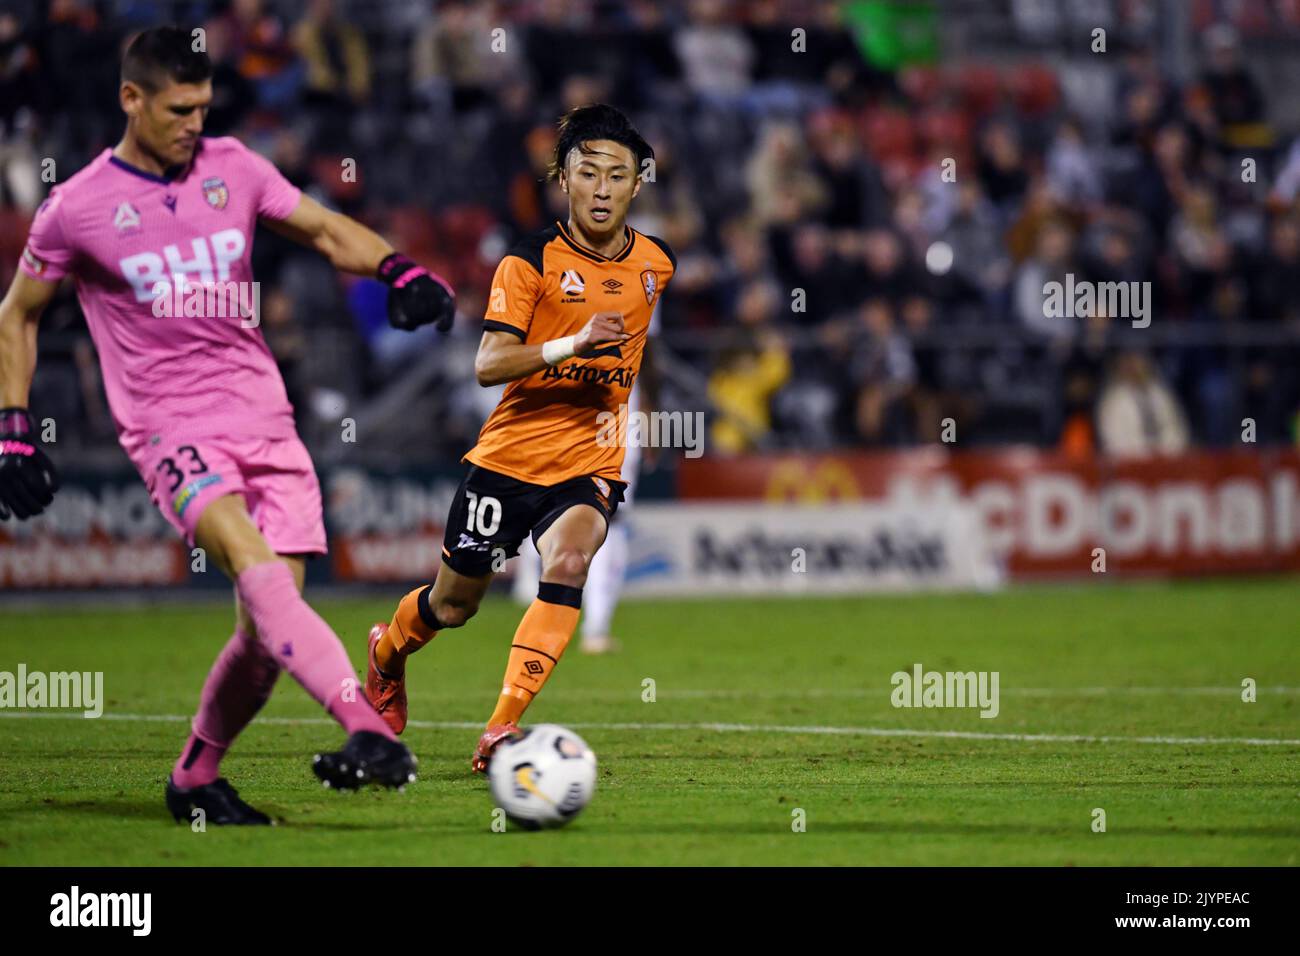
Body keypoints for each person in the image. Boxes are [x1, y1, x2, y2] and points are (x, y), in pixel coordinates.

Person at [0, 26, 455, 824]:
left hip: (264, 415)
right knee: (254, 567)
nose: (193, 124)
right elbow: (19, 316)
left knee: (265, 626)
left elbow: (319, 228)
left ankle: (193, 780)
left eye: (204, 107)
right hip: (168, 426)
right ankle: (364, 728)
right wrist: (11, 427)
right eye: (178, 109)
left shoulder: (233, 166)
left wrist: (397, 268)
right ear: (130, 99)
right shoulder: (75, 209)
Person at [363, 103, 675, 772]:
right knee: (452, 606)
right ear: (563, 180)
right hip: (508, 460)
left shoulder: (657, 264)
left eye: (616, 175)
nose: (601, 188)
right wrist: (571, 344)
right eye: (586, 173)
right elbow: (487, 364)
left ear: (636, 185)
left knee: (569, 564)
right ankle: (387, 655)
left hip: (591, 457)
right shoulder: (528, 261)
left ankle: (501, 728)